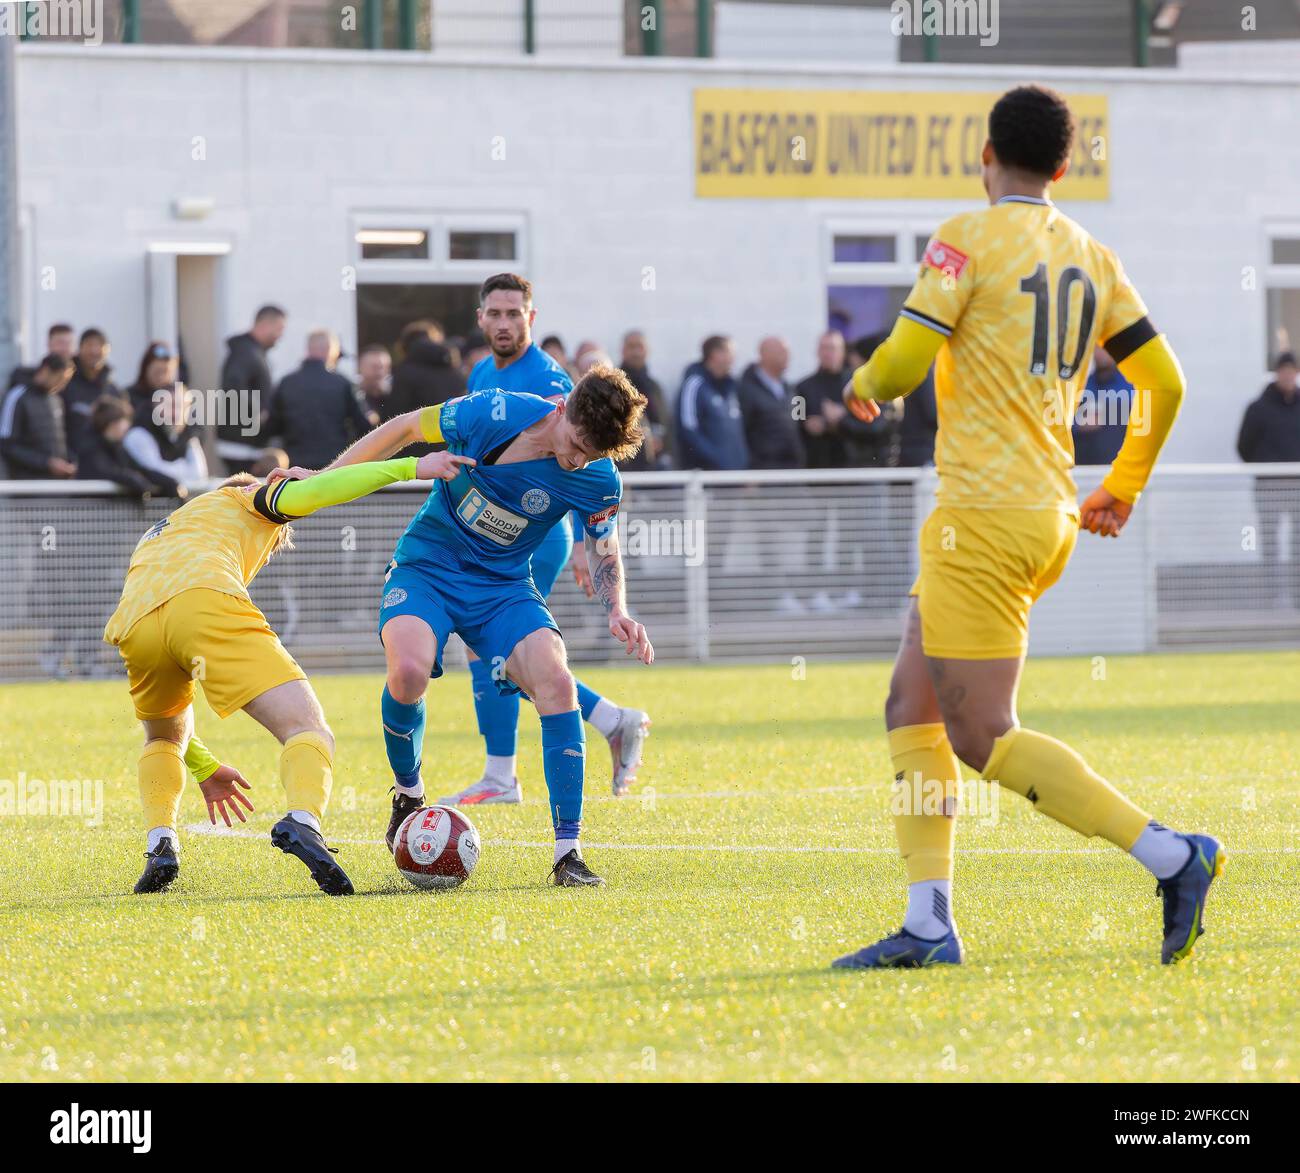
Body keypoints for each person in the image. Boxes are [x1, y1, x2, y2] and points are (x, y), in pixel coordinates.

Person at [836, 84, 1218, 969]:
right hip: (1044, 511)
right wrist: (1122, 484)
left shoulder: (965, 237)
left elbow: (900, 361)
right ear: (1061, 166)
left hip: (982, 516)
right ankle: (928, 926)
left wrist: (863, 384)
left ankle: (1172, 854)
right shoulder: (1092, 253)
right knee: (911, 705)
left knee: (982, 736)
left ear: (985, 155)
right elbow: (1167, 384)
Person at [271, 361, 654, 886]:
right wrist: (323, 477)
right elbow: (404, 428)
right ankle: (408, 795)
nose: (577, 459)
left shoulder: (597, 475)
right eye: (576, 443)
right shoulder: (493, 412)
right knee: (408, 671)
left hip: (502, 588)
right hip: (428, 565)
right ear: (561, 408)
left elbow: (604, 549)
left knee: (557, 682)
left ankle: (569, 853)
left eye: (592, 455)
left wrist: (618, 610)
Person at [104, 449, 457, 896]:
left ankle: (161, 844)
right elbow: (325, 489)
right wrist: (411, 468)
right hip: (204, 598)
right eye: (274, 544)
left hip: (134, 620)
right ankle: (303, 820)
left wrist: (205, 766)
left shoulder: (169, 529)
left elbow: (166, 646)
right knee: (308, 728)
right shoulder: (247, 498)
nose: (268, 556)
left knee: (162, 739)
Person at [441, 273, 649, 805]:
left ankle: (502, 775)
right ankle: (609, 719)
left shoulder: (552, 383)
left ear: (532, 318)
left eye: (516, 313)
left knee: (495, 644)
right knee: (495, 650)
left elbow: (582, 462)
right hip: (489, 532)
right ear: (481, 318)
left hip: (535, 537)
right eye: (496, 313)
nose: (505, 322)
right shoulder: (484, 370)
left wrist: (584, 542)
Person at [1236, 351, 1300, 606]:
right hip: (1269, 485)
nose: (1287, 375)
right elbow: (1244, 446)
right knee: (1269, 540)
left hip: (1297, 484)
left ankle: (1297, 594)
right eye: (1283, 370)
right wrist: (1264, 468)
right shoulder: (1259, 408)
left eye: (1291, 370)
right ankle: (1272, 594)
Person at [265, 329, 372, 469]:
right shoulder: (343, 383)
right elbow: (363, 424)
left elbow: (272, 426)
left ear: (308, 349)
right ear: (331, 350)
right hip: (335, 463)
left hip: (295, 464)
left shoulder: (286, 383)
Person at [383, 321, 467, 454]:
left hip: (415, 452)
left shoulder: (405, 372)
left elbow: (394, 415)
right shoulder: (453, 369)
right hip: (451, 448)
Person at [218, 304, 285, 471]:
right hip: (239, 444)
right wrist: (258, 411)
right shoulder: (245, 352)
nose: (280, 335)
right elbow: (233, 386)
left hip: (245, 441)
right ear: (264, 325)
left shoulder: (252, 352)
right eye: (278, 329)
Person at [78, 395, 183, 498]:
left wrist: (169, 482)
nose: (126, 426)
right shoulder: (90, 448)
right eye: (122, 420)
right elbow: (105, 472)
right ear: (111, 423)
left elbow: (139, 470)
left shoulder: (118, 448)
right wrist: (133, 480)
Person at [675, 335, 748, 470]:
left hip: (735, 474)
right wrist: (716, 459)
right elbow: (688, 429)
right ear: (715, 354)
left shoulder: (732, 389)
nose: (733, 359)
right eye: (729, 352)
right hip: (708, 475)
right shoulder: (695, 385)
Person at [0, 354, 75, 479]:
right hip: (29, 486)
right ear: (45, 371)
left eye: (65, 381)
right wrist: (46, 463)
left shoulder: (56, 400)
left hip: (57, 485)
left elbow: (59, 441)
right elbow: (6, 445)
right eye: (59, 379)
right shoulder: (17, 396)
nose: (62, 386)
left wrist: (70, 461)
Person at [737, 336, 805, 470]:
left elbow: (798, 422)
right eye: (782, 351)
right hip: (764, 470)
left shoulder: (791, 389)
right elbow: (740, 433)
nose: (787, 356)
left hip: (793, 469)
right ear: (764, 354)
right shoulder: (745, 390)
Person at [125, 381, 208, 487]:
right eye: (170, 406)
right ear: (156, 406)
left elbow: (199, 475)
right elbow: (155, 473)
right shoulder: (138, 433)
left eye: (182, 407)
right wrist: (182, 467)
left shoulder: (188, 434)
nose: (176, 413)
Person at [63, 327, 126, 460]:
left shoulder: (113, 390)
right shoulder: (65, 386)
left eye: (100, 345)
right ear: (79, 349)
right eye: (89, 345)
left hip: (106, 467)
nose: (94, 351)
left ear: (107, 350)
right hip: (74, 469)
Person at [1073, 345, 1135, 466]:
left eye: (1105, 347)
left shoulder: (1131, 384)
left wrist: (1108, 415)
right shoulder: (1083, 384)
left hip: (1118, 465)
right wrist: (1078, 424)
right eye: (1097, 347)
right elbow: (1063, 421)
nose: (1101, 353)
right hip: (1084, 466)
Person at [618, 330, 671, 470]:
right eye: (631, 347)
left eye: (639, 347)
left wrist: (660, 442)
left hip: (656, 463)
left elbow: (664, 423)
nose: (636, 352)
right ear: (623, 351)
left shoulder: (654, 387)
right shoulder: (615, 385)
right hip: (625, 463)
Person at [355, 343, 392, 427]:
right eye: (374, 367)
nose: (380, 372)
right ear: (360, 367)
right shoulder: (351, 397)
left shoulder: (394, 397)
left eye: (384, 367)